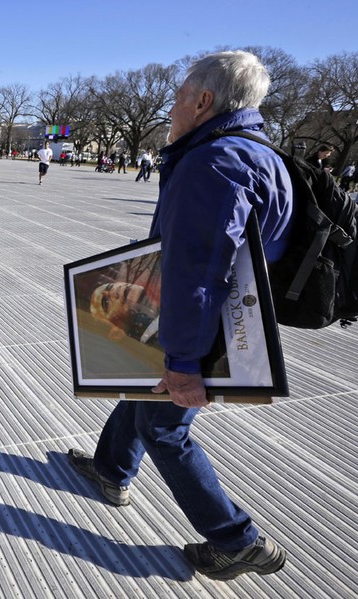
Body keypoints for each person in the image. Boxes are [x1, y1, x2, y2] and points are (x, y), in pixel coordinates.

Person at [68, 50, 292, 581]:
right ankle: (109, 470)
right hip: (228, 313)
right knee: (146, 393)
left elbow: (199, 268)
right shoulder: (254, 150)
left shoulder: (213, 161)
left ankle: (236, 540)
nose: (170, 108)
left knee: (165, 424)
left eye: (176, 97)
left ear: (203, 100)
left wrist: (184, 361)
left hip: (207, 322)